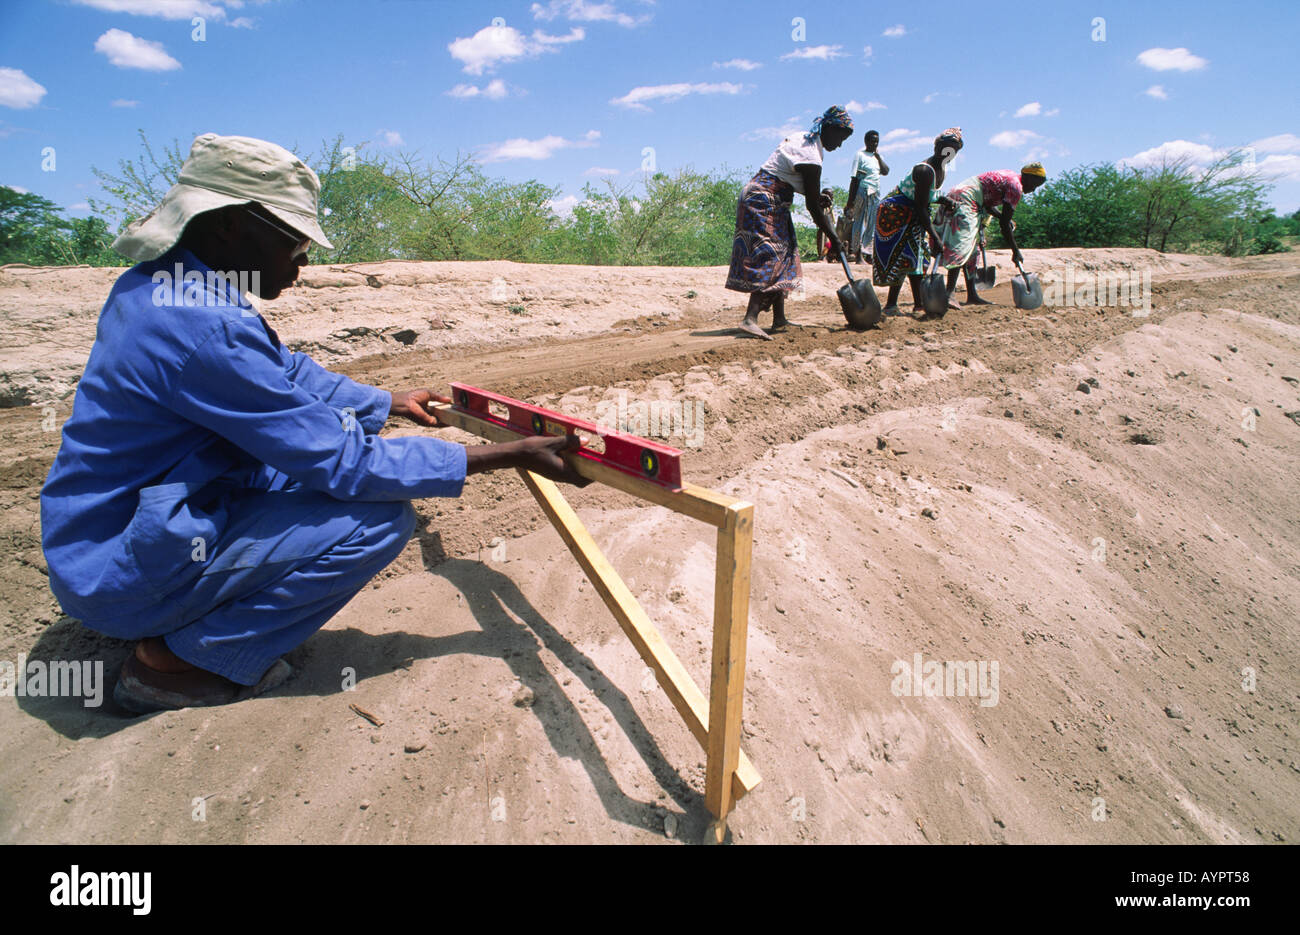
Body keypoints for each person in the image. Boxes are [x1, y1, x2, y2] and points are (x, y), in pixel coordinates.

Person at [39, 133, 588, 714]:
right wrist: (511, 455)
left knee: (305, 473)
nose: (302, 265)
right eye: (295, 244)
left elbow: (284, 372)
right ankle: (177, 665)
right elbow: (343, 464)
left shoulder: (161, 287)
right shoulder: (204, 329)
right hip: (118, 573)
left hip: (102, 538)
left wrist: (385, 403)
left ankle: (182, 611)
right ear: (229, 224)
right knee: (373, 521)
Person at [726, 105, 853, 340]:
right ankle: (750, 319)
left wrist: (818, 197)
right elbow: (813, 207)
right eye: (840, 137)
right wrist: (834, 237)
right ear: (829, 128)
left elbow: (796, 182)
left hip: (770, 199)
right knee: (771, 255)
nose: (840, 145)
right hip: (763, 200)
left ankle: (779, 318)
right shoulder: (811, 154)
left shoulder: (806, 141)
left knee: (786, 253)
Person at [872, 128, 963, 315]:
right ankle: (892, 305)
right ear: (936, 146)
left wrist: (944, 199)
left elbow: (927, 196)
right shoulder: (925, 170)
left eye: (952, 150)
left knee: (917, 258)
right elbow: (921, 206)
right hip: (896, 212)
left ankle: (916, 304)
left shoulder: (941, 168)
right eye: (944, 147)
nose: (948, 152)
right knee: (903, 257)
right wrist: (935, 237)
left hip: (914, 212)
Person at [934, 162, 1048, 309]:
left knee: (973, 250)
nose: (1033, 190)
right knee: (962, 245)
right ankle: (949, 294)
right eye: (1034, 185)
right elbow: (1004, 226)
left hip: (967, 198)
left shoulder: (1011, 178)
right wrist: (1015, 251)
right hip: (966, 199)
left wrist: (1002, 217)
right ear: (1028, 177)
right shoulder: (1016, 187)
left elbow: (988, 204)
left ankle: (972, 295)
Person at [845, 130, 889, 263]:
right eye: (872, 141)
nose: (874, 144)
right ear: (866, 141)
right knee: (858, 222)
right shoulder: (860, 155)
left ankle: (867, 253)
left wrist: (879, 157)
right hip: (862, 190)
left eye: (876, 141)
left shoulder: (878, 158)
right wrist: (850, 202)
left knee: (872, 224)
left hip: (875, 192)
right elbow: (854, 179)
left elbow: (886, 171)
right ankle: (857, 253)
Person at [815, 188, 838, 261]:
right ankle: (822, 256)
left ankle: (828, 257)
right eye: (830, 195)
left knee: (829, 243)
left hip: (830, 228)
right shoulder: (821, 205)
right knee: (823, 241)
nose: (832, 197)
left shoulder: (829, 206)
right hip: (823, 228)